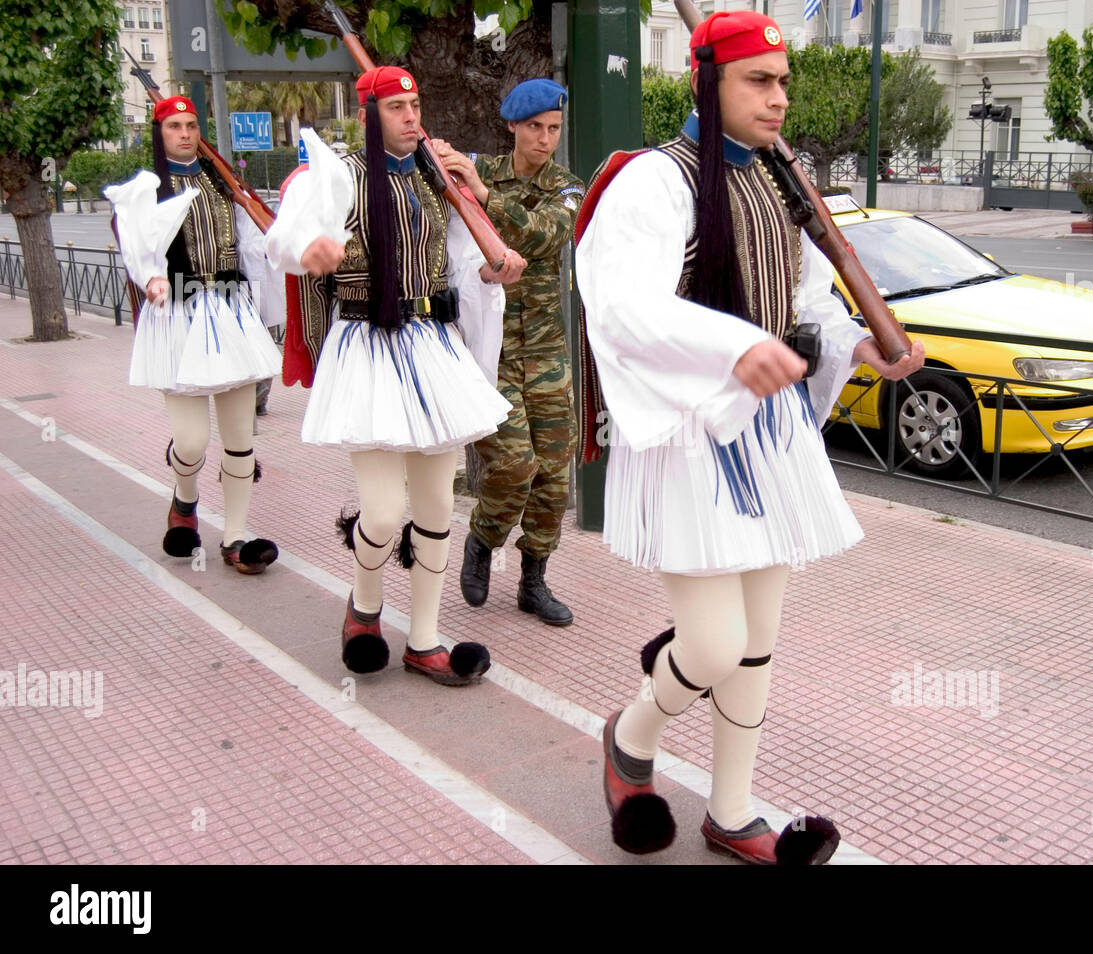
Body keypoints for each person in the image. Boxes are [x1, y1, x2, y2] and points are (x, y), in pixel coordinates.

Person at [574, 11, 925, 864]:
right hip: (692, 430)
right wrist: (736, 347)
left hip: (770, 434)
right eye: (758, 81)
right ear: (710, 84)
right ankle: (631, 731)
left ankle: (731, 812)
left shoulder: (774, 181)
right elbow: (622, 307)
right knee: (713, 644)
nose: (780, 98)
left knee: (758, 642)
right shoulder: (656, 182)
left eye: (783, 80)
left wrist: (855, 345)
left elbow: (799, 304)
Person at [264, 66, 526, 685]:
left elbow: (459, 263)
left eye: (415, 105)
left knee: (437, 506)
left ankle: (426, 639)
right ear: (368, 116)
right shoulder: (344, 177)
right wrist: (311, 250)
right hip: (369, 344)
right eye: (396, 108)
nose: (411, 117)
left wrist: (492, 271)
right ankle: (364, 603)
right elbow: (284, 235)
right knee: (382, 514)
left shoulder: (437, 181)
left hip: (433, 345)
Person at [105, 95, 282, 575]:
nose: (185, 133)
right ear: (159, 135)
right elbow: (135, 242)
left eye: (191, 125)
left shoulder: (225, 184)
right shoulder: (146, 189)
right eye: (174, 126)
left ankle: (236, 536)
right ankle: (185, 499)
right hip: (178, 315)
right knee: (191, 441)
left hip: (230, 312)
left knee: (240, 438)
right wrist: (150, 279)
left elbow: (253, 246)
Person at [435, 78, 585, 627]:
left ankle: (533, 580)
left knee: (553, 475)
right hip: (489, 351)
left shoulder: (568, 187)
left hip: (547, 353)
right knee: (515, 466)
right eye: (535, 128)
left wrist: (485, 194)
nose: (545, 139)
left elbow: (548, 236)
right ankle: (482, 538)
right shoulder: (475, 176)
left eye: (553, 129)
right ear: (513, 127)